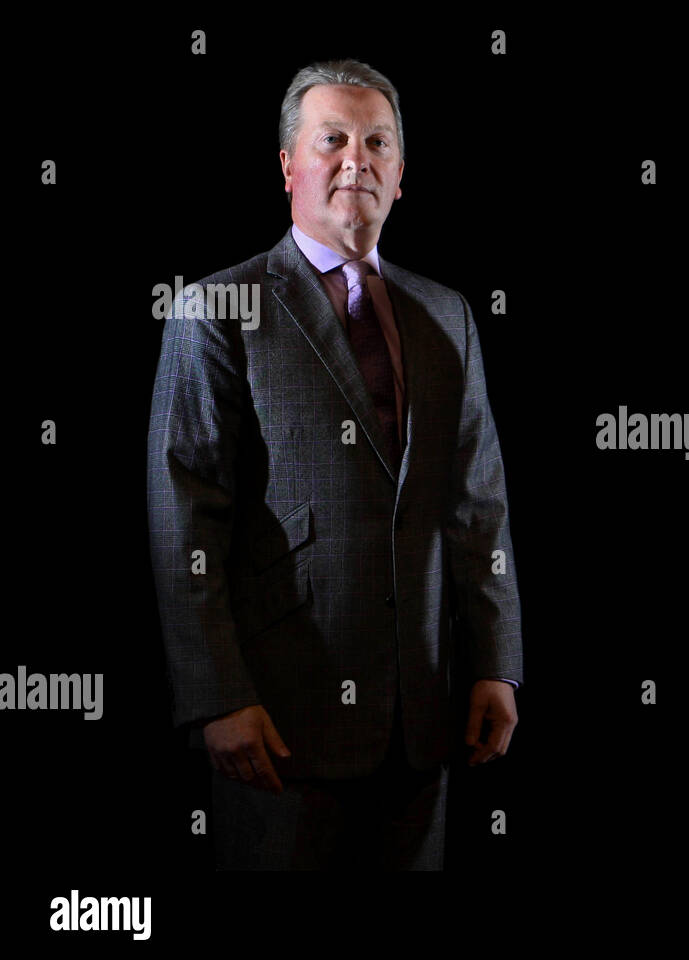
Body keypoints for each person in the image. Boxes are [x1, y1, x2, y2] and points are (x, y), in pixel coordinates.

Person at [147, 59, 523, 870]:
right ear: (289, 165)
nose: (358, 158)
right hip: (279, 727)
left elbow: (477, 507)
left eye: (377, 142)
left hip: (422, 726)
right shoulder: (218, 310)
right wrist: (218, 697)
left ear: (400, 174)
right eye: (334, 139)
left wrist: (497, 664)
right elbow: (184, 523)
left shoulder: (446, 315)